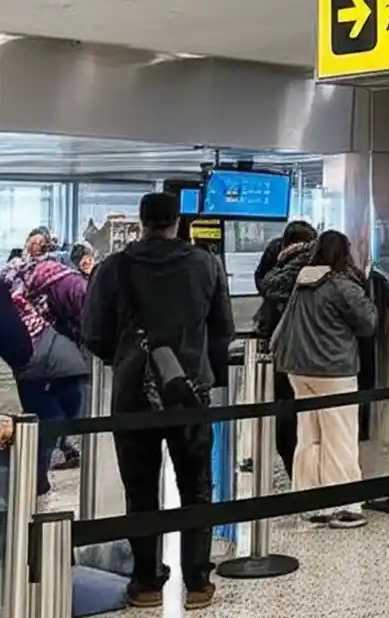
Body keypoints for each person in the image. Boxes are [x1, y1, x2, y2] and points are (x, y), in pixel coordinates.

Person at [82, 192, 233, 610]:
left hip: (133, 392)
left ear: (142, 221)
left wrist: (127, 358)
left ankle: (146, 581)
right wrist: (204, 371)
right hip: (189, 390)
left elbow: (93, 333)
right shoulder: (206, 264)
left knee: (141, 487)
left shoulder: (114, 268)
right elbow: (223, 328)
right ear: (178, 221)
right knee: (197, 487)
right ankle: (198, 582)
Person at [272, 230, 377, 529]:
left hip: (298, 369)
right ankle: (345, 507)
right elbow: (368, 322)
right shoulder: (341, 285)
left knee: (309, 435)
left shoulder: (301, 281)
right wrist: (363, 284)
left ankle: (311, 504)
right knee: (340, 436)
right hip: (334, 370)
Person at [1, 229, 89, 493]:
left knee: (49, 417)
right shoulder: (49, 279)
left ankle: (33, 481)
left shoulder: (31, 277)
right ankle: (33, 482)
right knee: (50, 417)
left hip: (38, 365)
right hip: (37, 362)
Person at [255, 220, 318, 478]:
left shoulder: (280, 260)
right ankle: (303, 471)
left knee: (287, 411)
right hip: (310, 348)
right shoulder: (315, 260)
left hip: (284, 346)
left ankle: (296, 469)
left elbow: (264, 283)